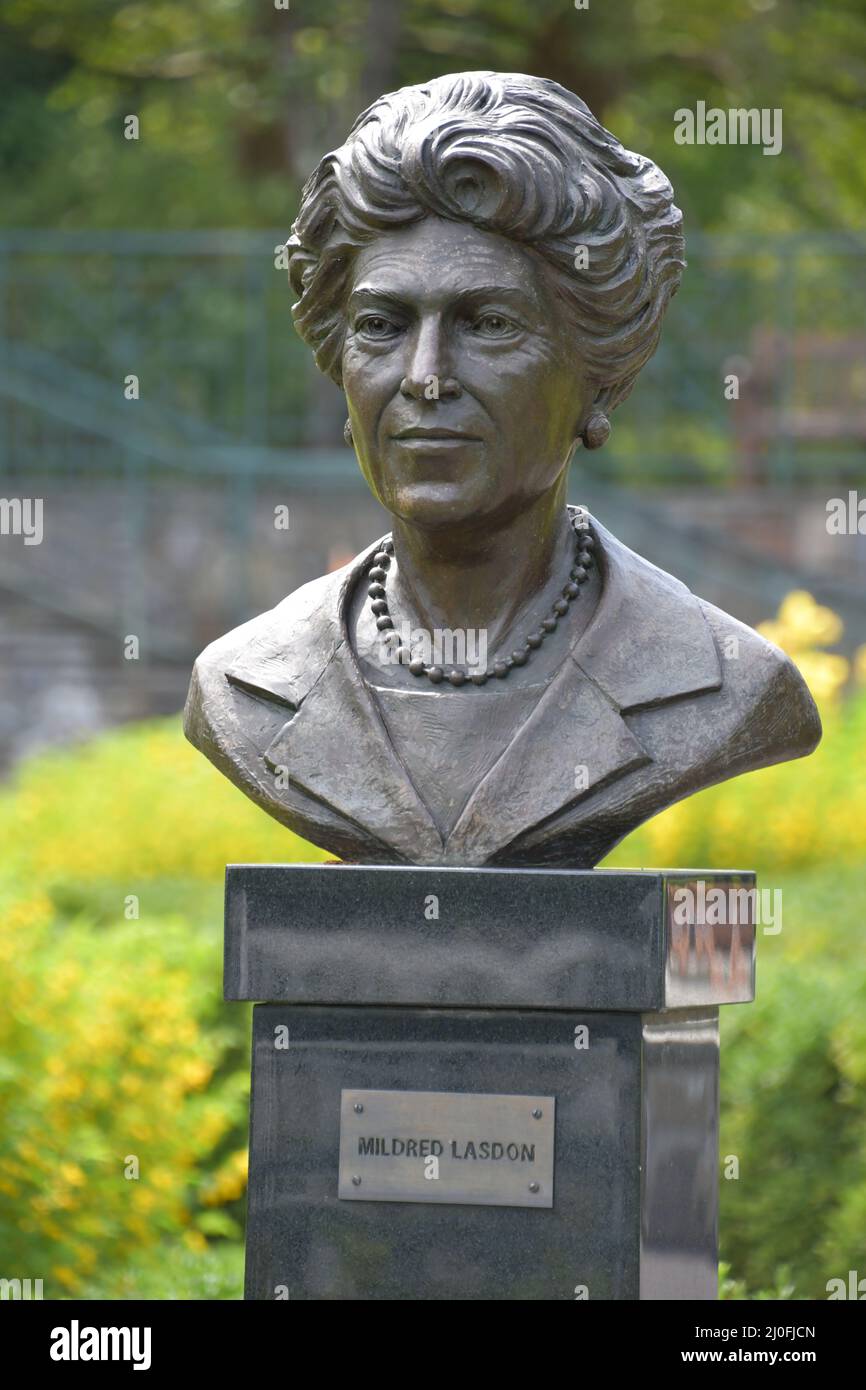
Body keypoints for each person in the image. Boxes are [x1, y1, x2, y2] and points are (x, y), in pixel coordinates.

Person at [185, 72, 820, 867]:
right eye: (381, 325)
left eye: (487, 323)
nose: (425, 376)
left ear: (598, 371)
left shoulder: (726, 684)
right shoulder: (246, 682)